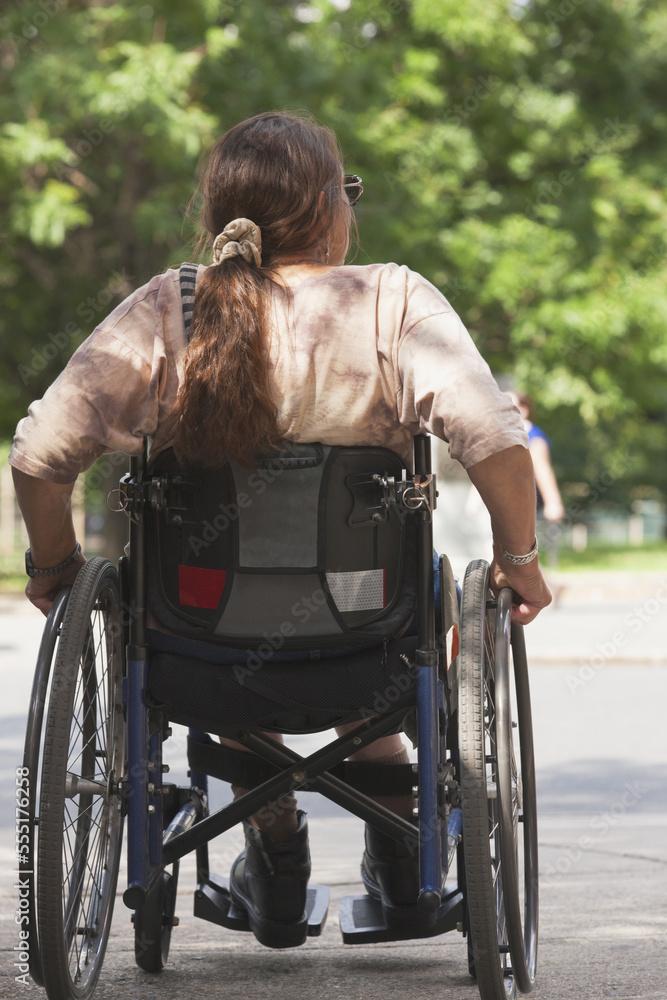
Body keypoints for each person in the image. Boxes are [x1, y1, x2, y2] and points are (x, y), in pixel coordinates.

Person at [10, 111, 551, 945]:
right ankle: (403, 866)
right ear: (329, 207)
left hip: (198, 655)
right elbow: (495, 440)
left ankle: (275, 851)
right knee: (360, 613)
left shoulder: (168, 306)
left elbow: (41, 455)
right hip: (372, 641)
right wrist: (518, 560)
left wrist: (51, 569)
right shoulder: (391, 300)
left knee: (228, 615)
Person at [508, 390, 565, 567]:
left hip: (524, 499)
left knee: (519, 551)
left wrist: (553, 502)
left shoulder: (534, 437)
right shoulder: (504, 435)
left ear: (523, 410)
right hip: (507, 497)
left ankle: (538, 587)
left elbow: (543, 468)